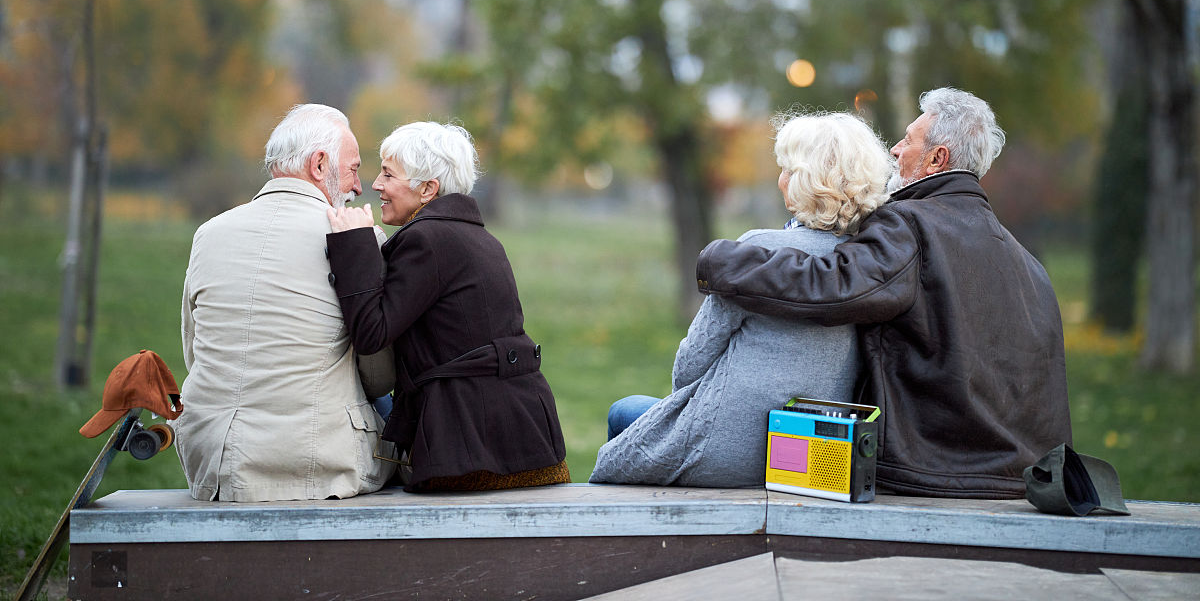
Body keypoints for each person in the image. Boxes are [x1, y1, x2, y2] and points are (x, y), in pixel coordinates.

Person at [696, 88, 1072, 499]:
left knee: (627, 415)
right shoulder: (1027, 262)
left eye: (908, 140)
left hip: (933, 472)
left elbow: (833, 286)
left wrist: (721, 260)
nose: (894, 150)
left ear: (936, 159)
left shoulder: (910, 226)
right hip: (1026, 477)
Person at [590, 112, 892, 487]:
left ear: (803, 182)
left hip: (729, 453)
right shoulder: (871, 263)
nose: (781, 180)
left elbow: (689, 367)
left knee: (624, 411)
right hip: (815, 460)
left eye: (786, 170)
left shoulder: (759, 253)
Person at [325, 121, 569, 492]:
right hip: (524, 438)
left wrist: (353, 245)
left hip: (466, 451)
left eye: (388, 174)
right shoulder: (479, 237)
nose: (376, 185)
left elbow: (371, 334)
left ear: (427, 189)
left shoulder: (426, 240)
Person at [176, 104, 396, 502]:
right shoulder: (357, 242)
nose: (359, 186)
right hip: (318, 463)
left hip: (215, 461)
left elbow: (195, 354)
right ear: (319, 164)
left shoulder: (208, 234)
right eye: (353, 169)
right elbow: (380, 376)